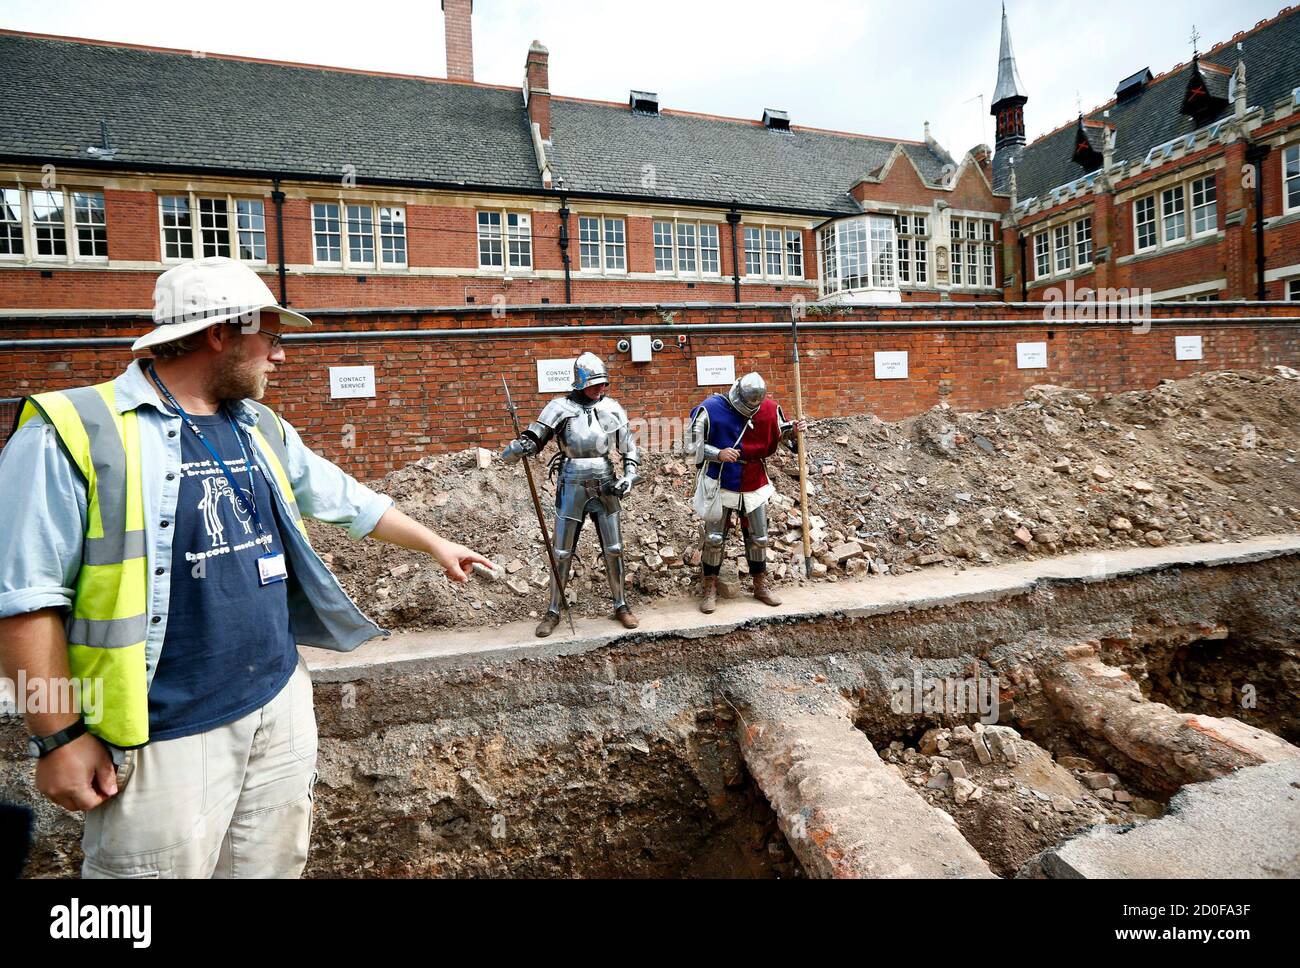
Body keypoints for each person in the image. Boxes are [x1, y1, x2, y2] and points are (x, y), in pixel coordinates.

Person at [0, 256, 491, 879]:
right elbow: (23, 601)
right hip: (163, 733)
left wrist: (436, 544)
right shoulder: (69, 430)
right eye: (272, 337)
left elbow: (344, 497)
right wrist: (59, 738)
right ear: (220, 333)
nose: (280, 356)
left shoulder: (258, 426)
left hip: (277, 700)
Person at [502, 353, 641, 637]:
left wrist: (628, 477)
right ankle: (553, 610)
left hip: (605, 480)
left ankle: (621, 604)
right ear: (580, 382)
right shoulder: (559, 407)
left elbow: (629, 449)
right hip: (571, 482)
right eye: (595, 384)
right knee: (562, 551)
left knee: (614, 549)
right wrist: (522, 447)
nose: (600, 389)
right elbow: (536, 437)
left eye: (603, 384)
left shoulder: (612, 408)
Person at [686, 373, 805, 614]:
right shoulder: (710, 409)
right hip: (721, 479)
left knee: (759, 538)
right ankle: (709, 587)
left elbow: (788, 441)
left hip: (754, 478)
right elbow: (689, 447)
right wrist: (717, 453)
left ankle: (760, 585)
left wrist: (796, 430)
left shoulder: (770, 409)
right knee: (714, 539)